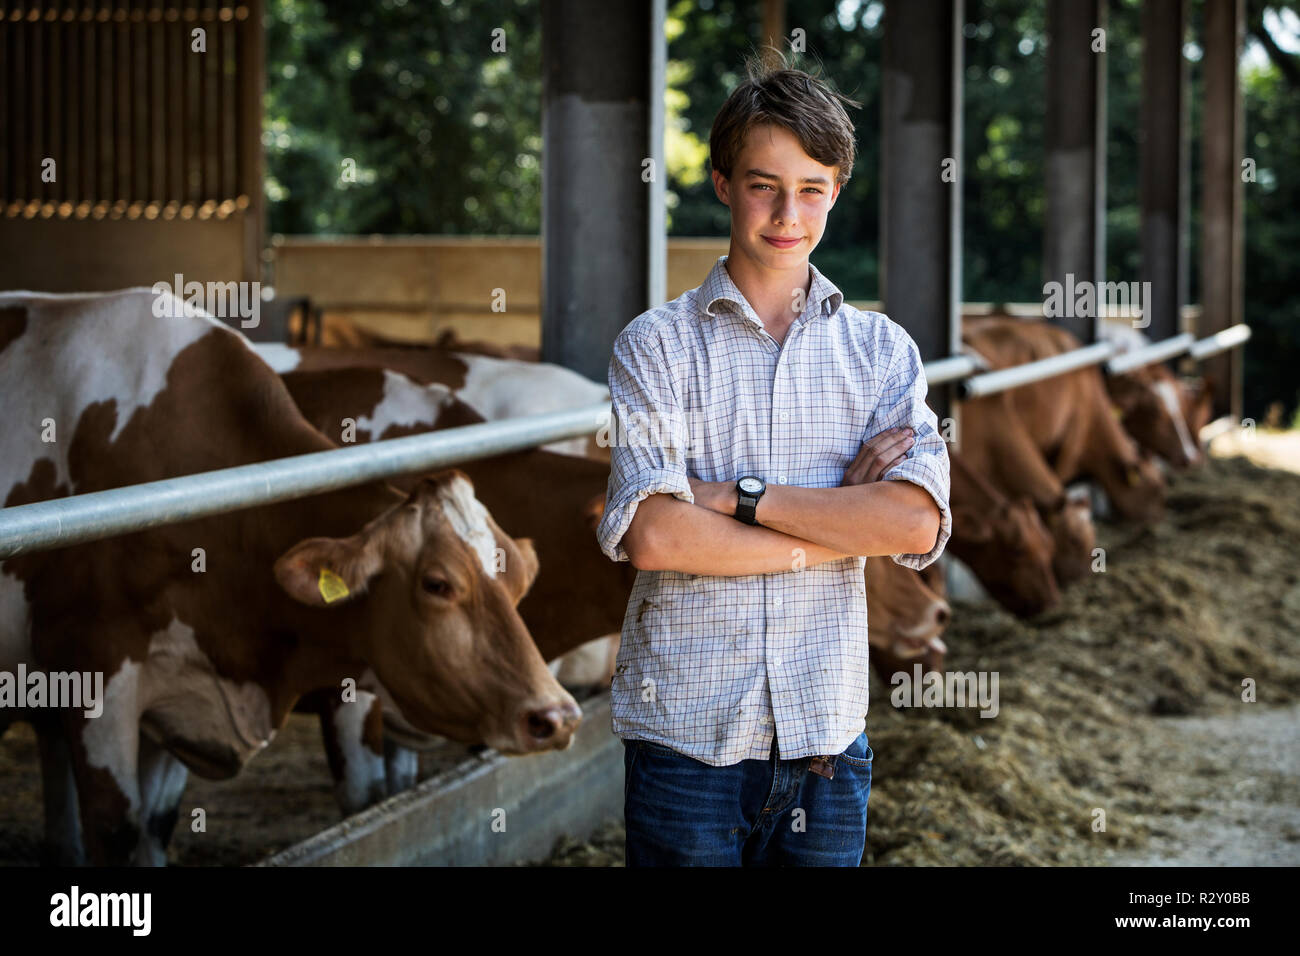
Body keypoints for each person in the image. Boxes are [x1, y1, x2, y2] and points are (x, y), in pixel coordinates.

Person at [595, 51, 952, 867]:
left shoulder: (882, 353)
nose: (788, 212)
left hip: (826, 743)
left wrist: (735, 497)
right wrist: (842, 521)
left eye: (812, 188)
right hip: (686, 745)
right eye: (764, 184)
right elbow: (654, 538)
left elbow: (913, 519)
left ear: (836, 189)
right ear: (722, 183)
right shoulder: (655, 347)